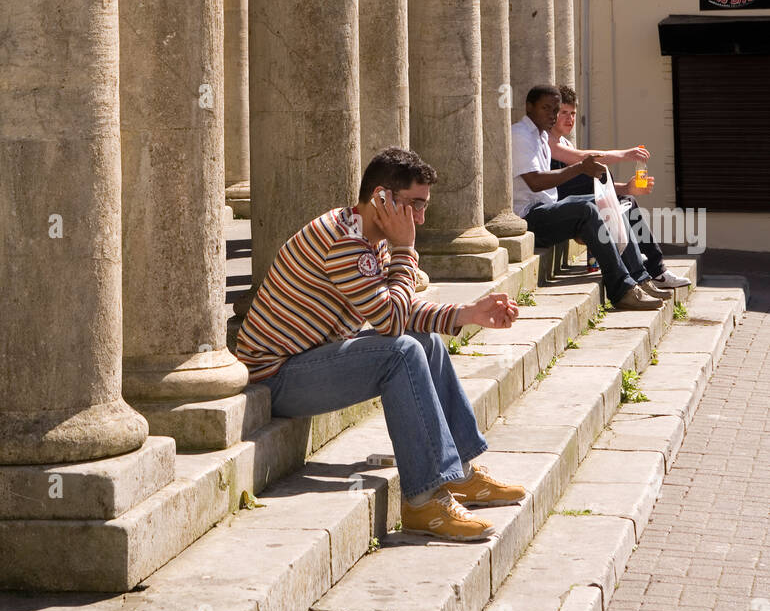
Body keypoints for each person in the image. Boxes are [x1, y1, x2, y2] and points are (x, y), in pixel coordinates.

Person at [235, 146, 527, 543]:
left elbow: (394, 310)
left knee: (424, 342)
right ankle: (423, 500)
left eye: (424, 207)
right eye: (415, 205)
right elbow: (390, 323)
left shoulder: (368, 236)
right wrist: (407, 249)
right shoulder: (344, 242)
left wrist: (467, 314)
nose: (421, 219)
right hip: (278, 377)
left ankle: (460, 474)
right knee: (401, 352)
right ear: (382, 198)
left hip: (312, 360)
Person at [511, 85, 670, 310]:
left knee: (608, 202)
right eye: (546, 108)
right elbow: (535, 182)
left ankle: (641, 279)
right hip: (530, 217)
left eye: (556, 110)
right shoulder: (520, 135)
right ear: (529, 107)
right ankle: (622, 290)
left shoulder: (540, 136)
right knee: (586, 210)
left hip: (548, 208)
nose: (552, 115)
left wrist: (621, 187)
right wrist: (579, 169)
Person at [550, 88, 688, 290]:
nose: (570, 118)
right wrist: (625, 154)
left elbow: (585, 184)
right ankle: (632, 257)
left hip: (574, 202)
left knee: (627, 201)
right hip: (556, 210)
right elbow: (586, 160)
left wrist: (627, 188)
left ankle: (656, 269)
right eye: (563, 112)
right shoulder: (546, 140)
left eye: (572, 113)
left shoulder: (564, 142)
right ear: (552, 113)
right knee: (601, 172)